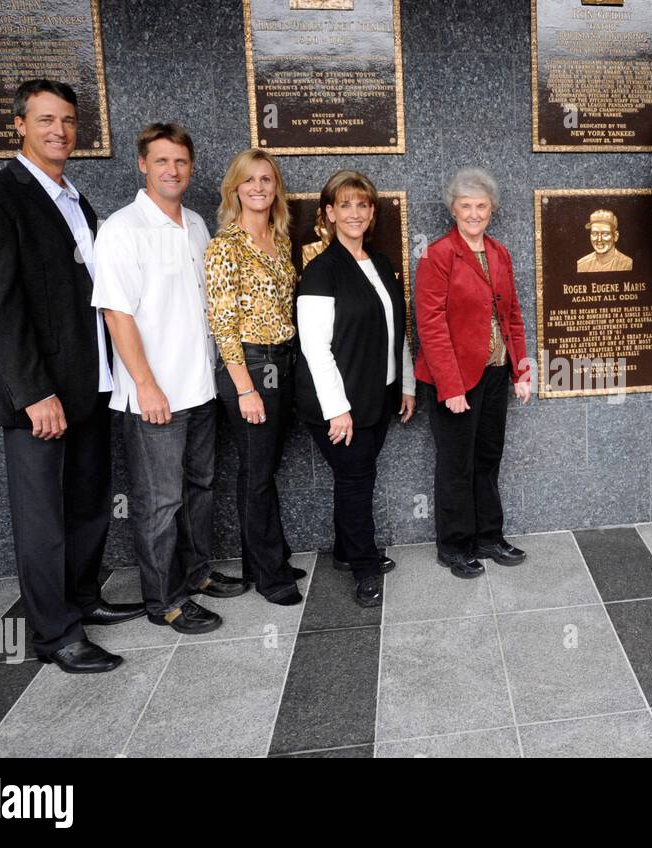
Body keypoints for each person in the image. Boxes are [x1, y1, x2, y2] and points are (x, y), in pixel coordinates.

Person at [0, 79, 144, 674]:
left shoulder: (77, 202)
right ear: (19, 125)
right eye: (45, 120)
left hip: (90, 384)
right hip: (40, 395)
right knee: (43, 519)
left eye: (67, 121)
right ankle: (55, 633)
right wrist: (35, 392)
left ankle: (82, 599)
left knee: (87, 505)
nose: (59, 131)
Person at [92, 124, 243, 636]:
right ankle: (165, 600)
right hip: (155, 396)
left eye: (180, 162)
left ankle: (197, 574)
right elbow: (117, 314)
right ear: (143, 165)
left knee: (200, 488)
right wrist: (146, 384)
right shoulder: (122, 228)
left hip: (200, 389)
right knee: (159, 503)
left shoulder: (196, 224)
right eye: (161, 161)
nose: (172, 171)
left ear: (191, 167)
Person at [296, 171, 415, 607]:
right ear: (328, 213)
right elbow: (314, 347)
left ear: (371, 212)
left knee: (357, 478)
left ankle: (348, 551)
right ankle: (364, 567)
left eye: (362, 205)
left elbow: (396, 330)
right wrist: (337, 409)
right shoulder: (321, 271)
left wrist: (406, 383)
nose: (354, 213)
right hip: (338, 403)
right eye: (344, 205)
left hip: (378, 395)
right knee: (356, 481)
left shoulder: (380, 263)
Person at [415, 167, 531, 578]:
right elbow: (430, 325)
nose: (474, 213)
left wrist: (521, 371)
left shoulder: (500, 253)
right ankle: (454, 546)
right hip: (455, 381)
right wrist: (451, 387)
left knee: (487, 458)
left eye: (481, 206)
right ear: (453, 209)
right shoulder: (437, 255)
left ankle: (488, 537)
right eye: (466, 206)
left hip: (495, 373)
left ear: (492, 209)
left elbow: (512, 316)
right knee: (456, 465)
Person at [205, 149, 305, 605]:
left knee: (262, 468)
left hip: (281, 361)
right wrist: (245, 388)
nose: (259, 187)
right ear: (235, 189)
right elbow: (223, 325)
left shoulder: (279, 241)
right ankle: (270, 575)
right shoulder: (225, 246)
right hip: (249, 365)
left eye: (266, 179)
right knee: (258, 472)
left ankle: (264, 557)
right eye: (250, 180)